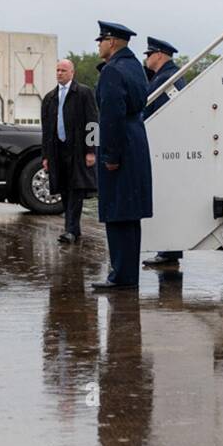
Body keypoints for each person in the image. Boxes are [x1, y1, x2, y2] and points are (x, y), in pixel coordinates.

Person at [90, 21, 152, 291]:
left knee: (117, 212)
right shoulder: (135, 65)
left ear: (112, 42)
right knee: (129, 214)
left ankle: (121, 276)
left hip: (120, 146)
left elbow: (112, 115)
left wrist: (110, 156)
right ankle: (128, 274)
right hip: (135, 140)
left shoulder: (113, 71)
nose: (99, 45)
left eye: (101, 40)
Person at [41, 59, 98, 245]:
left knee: (76, 189)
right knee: (64, 189)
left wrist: (91, 151)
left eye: (63, 70)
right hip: (58, 150)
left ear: (72, 72)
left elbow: (92, 123)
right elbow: (46, 130)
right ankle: (74, 229)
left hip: (78, 150)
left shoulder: (83, 93)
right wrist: (46, 156)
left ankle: (70, 230)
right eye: (57, 70)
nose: (59, 73)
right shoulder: (50, 97)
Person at [141, 37, 186, 268]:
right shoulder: (161, 77)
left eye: (148, 54)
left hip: (165, 148)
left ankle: (170, 250)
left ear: (159, 55)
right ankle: (168, 249)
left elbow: (172, 114)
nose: (146, 58)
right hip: (161, 146)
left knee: (168, 199)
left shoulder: (169, 78)